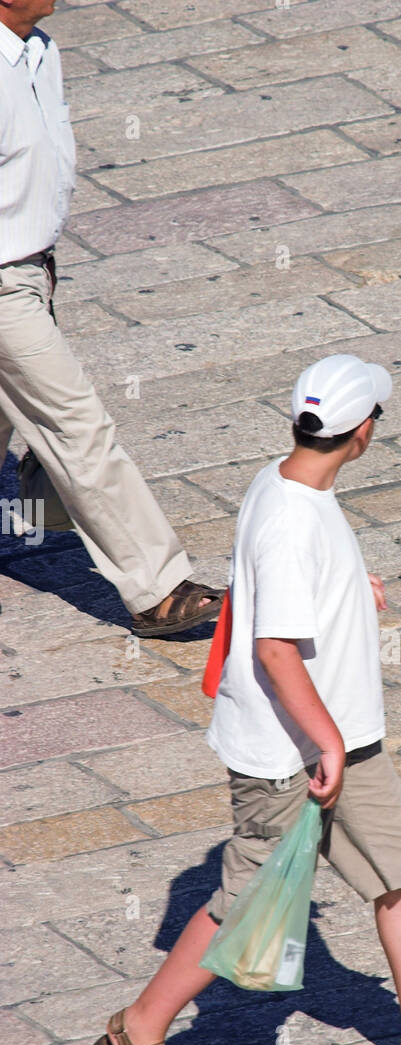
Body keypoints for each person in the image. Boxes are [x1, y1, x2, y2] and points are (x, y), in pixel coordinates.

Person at [92, 354, 401, 1045]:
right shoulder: (293, 518)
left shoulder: (285, 480)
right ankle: (137, 1031)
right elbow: (272, 648)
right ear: (362, 433)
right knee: (246, 901)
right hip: (291, 749)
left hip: (341, 735)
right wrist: (325, 739)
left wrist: (348, 593)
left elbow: (283, 591)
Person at [0, 0, 222, 635]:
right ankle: (157, 590)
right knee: (77, 426)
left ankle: (55, 519)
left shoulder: (40, 51)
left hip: (32, 268)